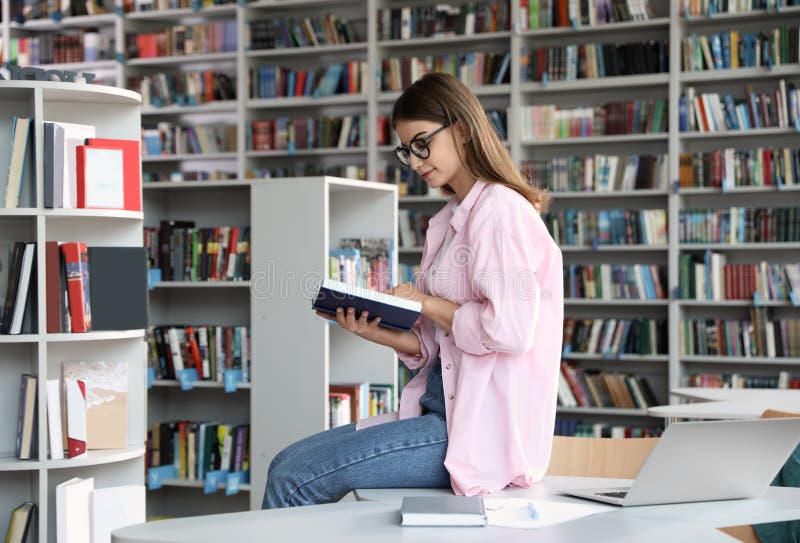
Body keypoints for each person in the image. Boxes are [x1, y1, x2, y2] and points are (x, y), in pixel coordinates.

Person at [262, 72, 563, 509]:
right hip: (438, 410)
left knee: (294, 478)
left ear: (461, 129)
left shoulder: (500, 211)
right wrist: (377, 331)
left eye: (422, 143)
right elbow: (438, 343)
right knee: (286, 464)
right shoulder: (448, 221)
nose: (416, 159)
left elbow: (510, 330)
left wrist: (426, 302)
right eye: (407, 150)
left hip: (474, 430)